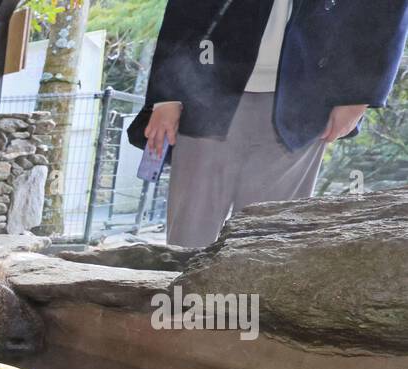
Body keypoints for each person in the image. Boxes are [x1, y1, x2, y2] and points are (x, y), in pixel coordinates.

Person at [139, 0, 408, 248]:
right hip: (206, 87)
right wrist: (167, 95)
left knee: (268, 243)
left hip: (307, 95)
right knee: (188, 240)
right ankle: (188, 301)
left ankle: (250, 302)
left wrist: (359, 95)